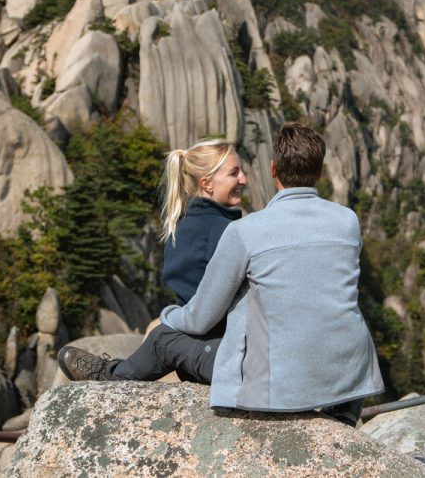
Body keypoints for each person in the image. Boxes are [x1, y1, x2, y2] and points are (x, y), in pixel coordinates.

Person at [58, 123, 383, 425]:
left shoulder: (244, 232)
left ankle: (108, 378)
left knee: (163, 338)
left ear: (272, 171)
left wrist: (169, 315)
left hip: (278, 382)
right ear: (321, 172)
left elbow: (199, 320)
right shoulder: (348, 222)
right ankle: (339, 420)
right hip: (348, 381)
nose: (242, 179)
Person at [160, 139, 248, 307]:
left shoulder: (180, 228)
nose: (243, 179)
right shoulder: (223, 231)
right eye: (234, 173)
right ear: (207, 184)